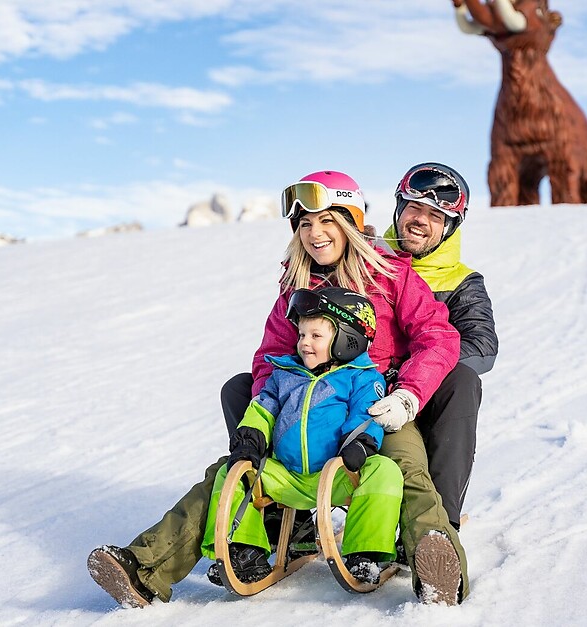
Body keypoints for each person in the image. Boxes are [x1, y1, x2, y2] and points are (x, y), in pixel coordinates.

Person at [89, 169, 468, 607]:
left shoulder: (389, 275)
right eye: (305, 224)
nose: (315, 233)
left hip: (371, 405)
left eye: (326, 221)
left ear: (348, 221)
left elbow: (439, 337)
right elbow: (269, 359)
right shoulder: (295, 287)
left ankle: (439, 572)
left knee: (403, 463)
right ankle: (144, 569)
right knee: (229, 473)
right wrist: (263, 420)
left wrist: (407, 395)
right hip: (303, 404)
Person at [202, 287, 401, 587]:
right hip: (287, 478)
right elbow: (263, 407)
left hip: (338, 475)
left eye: (316, 336)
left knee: (385, 472)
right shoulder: (285, 374)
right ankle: (243, 551)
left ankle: (366, 554)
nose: (304, 343)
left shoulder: (361, 377)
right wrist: (250, 440)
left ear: (347, 339)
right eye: (301, 335)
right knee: (230, 473)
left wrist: (360, 445)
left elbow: (365, 415)